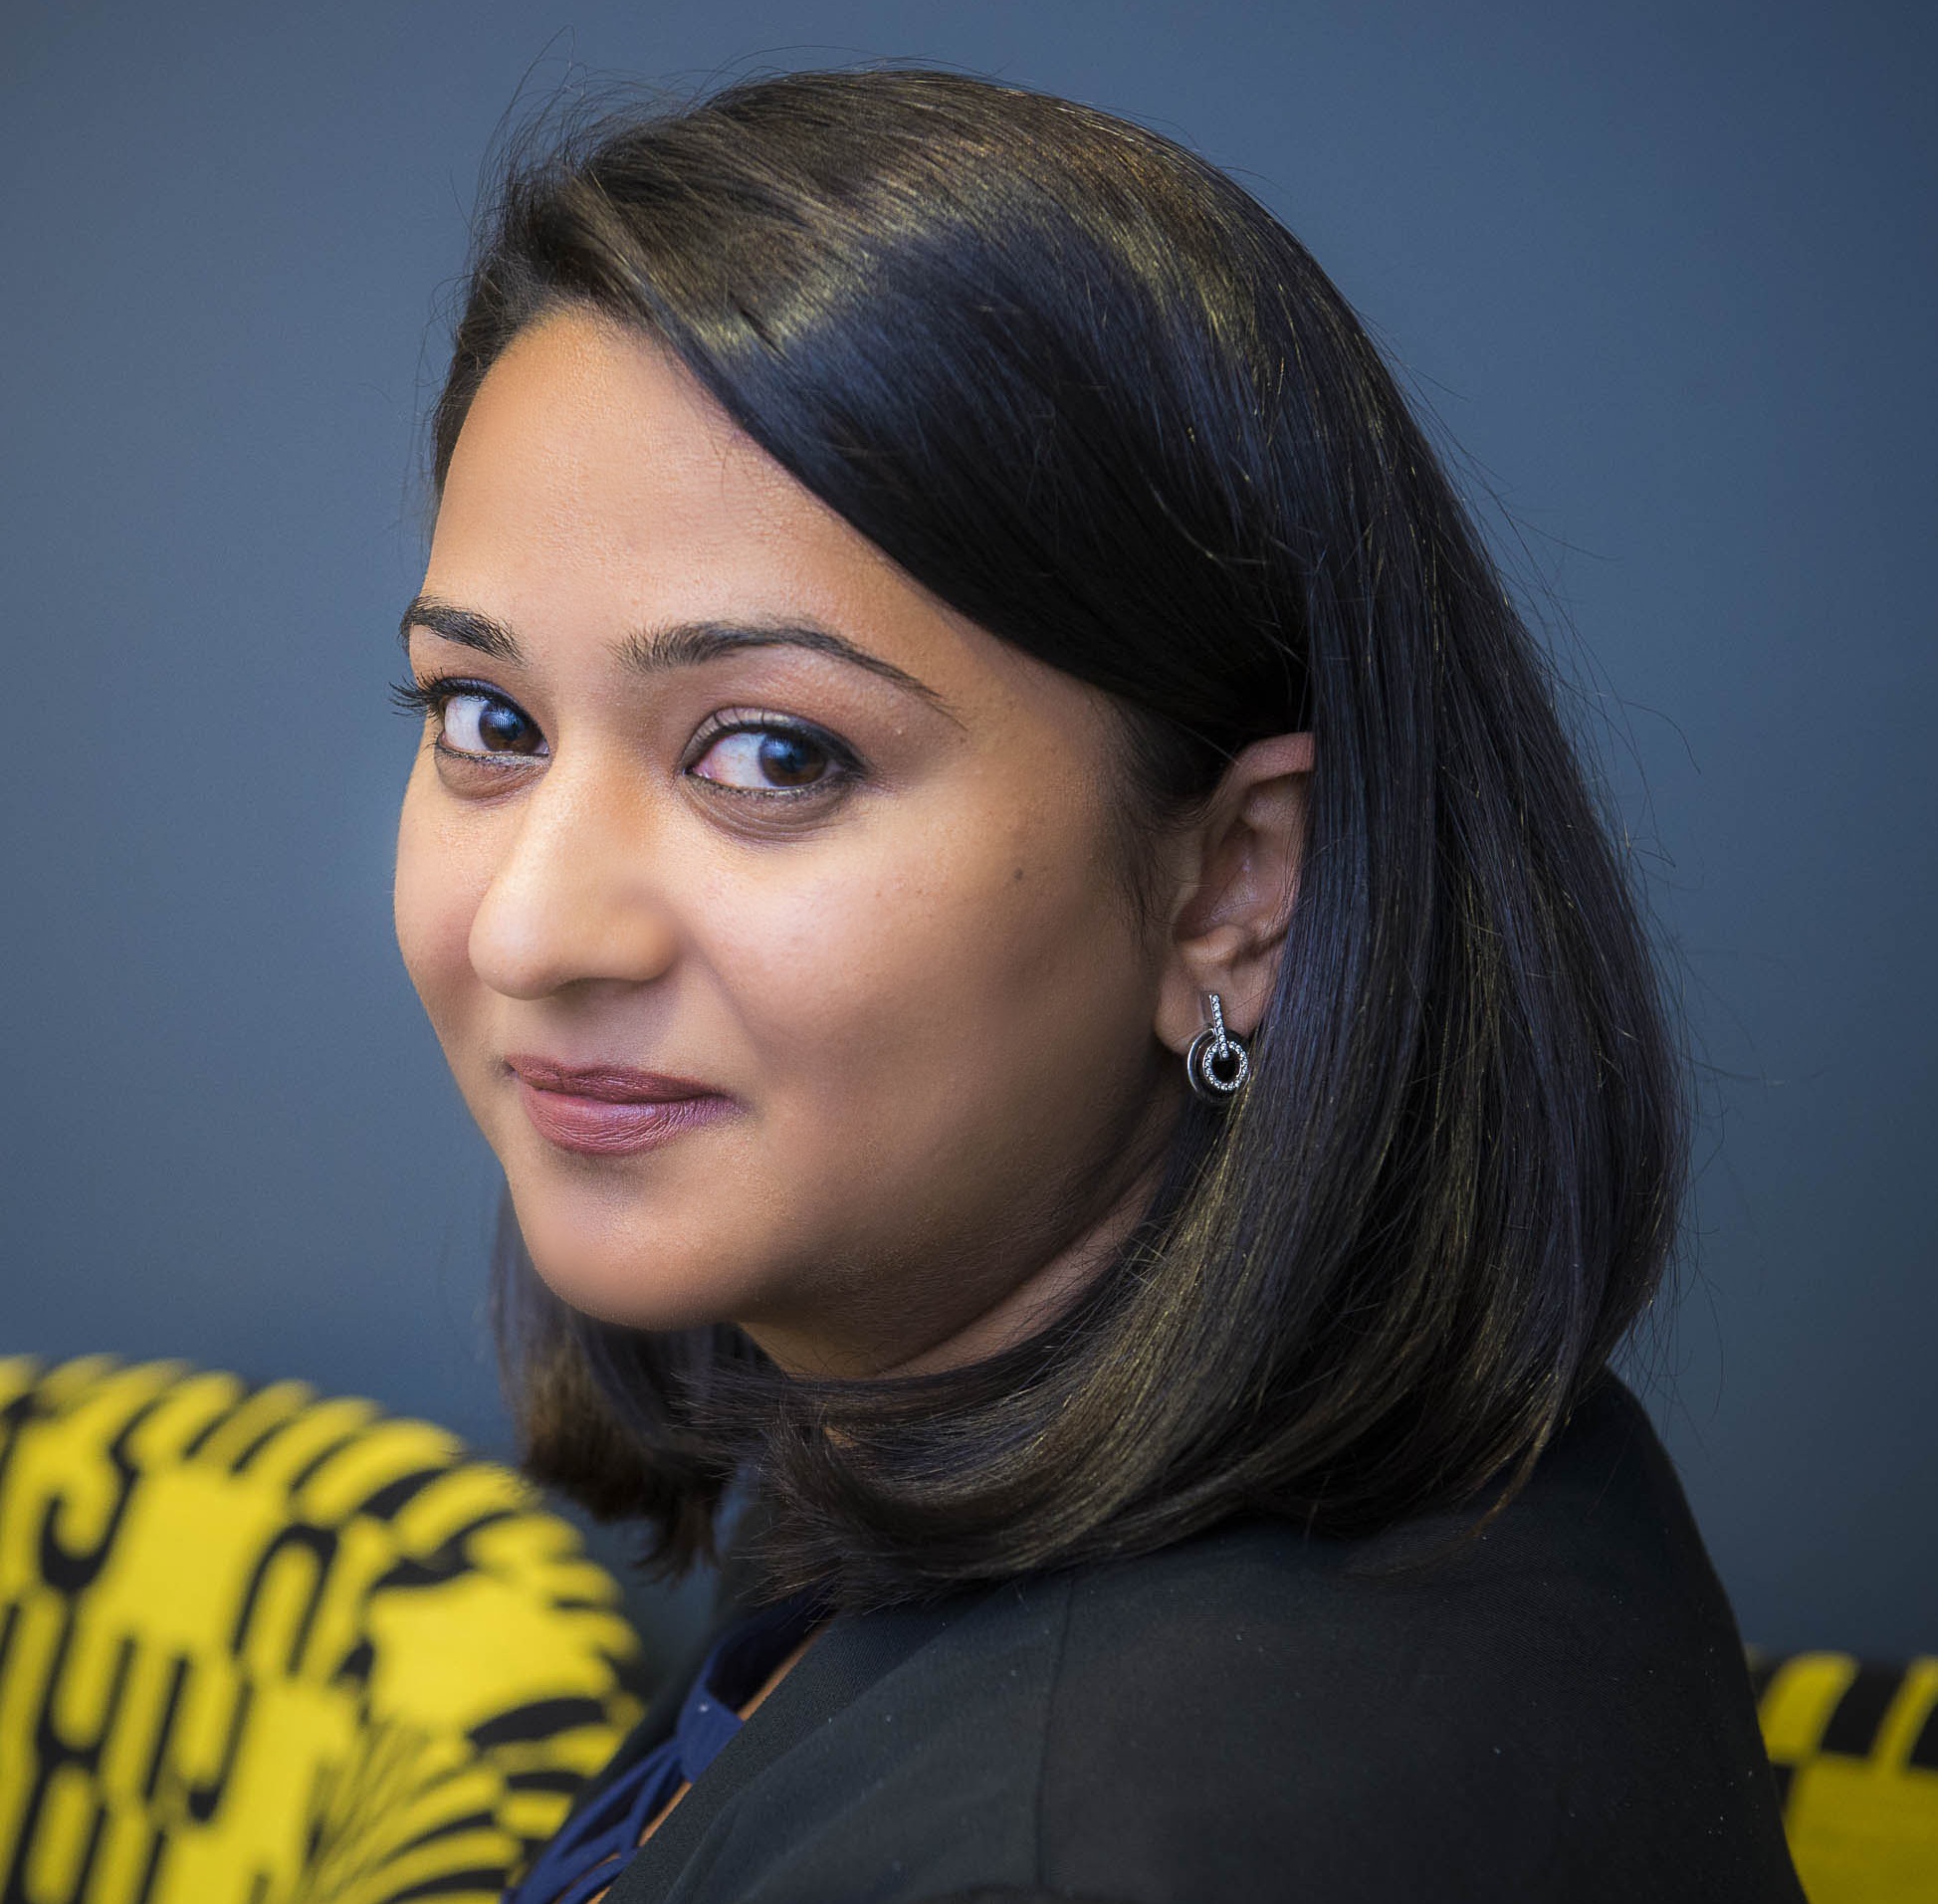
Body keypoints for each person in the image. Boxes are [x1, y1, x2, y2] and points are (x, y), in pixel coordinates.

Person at [388, 64, 1806, 1904]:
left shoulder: (1102, 1841)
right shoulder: (1025, 1419)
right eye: (485, 720)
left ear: (1231, 884)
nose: (530, 931)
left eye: (771, 755)